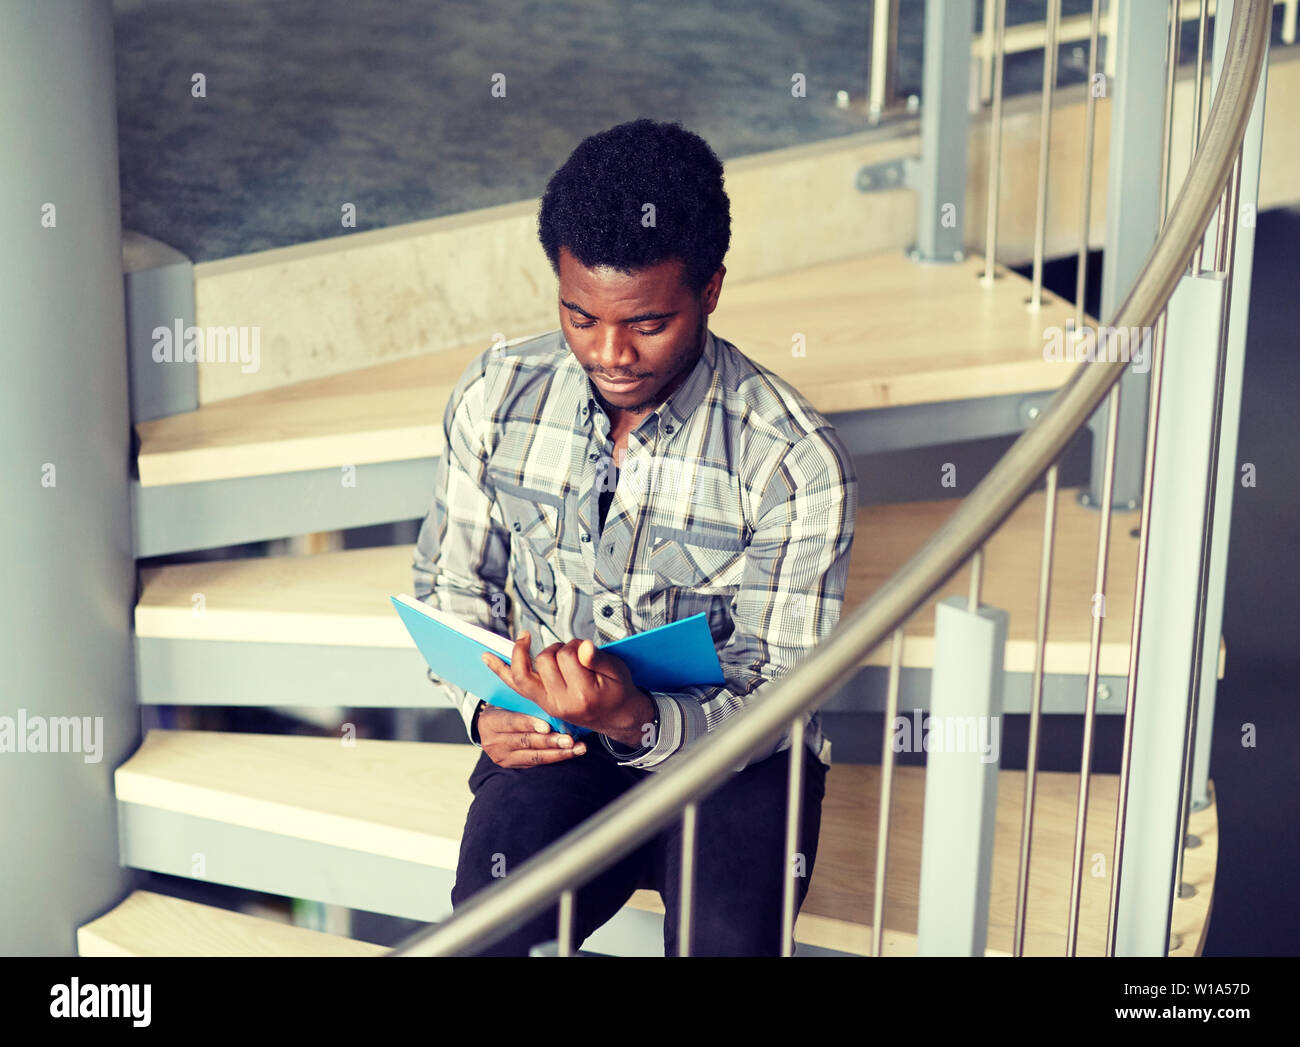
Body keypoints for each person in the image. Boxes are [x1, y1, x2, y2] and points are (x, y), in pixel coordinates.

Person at [412, 117, 858, 956]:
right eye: (580, 316)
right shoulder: (495, 396)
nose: (609, 352)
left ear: (711, 290)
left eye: (647, 323)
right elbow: (453, 586)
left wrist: (640, 717)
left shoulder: (794, 461)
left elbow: (781, 694)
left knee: (726, 939)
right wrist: (484, 713)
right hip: (556, 734)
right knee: (486, 917)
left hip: (735, 752)